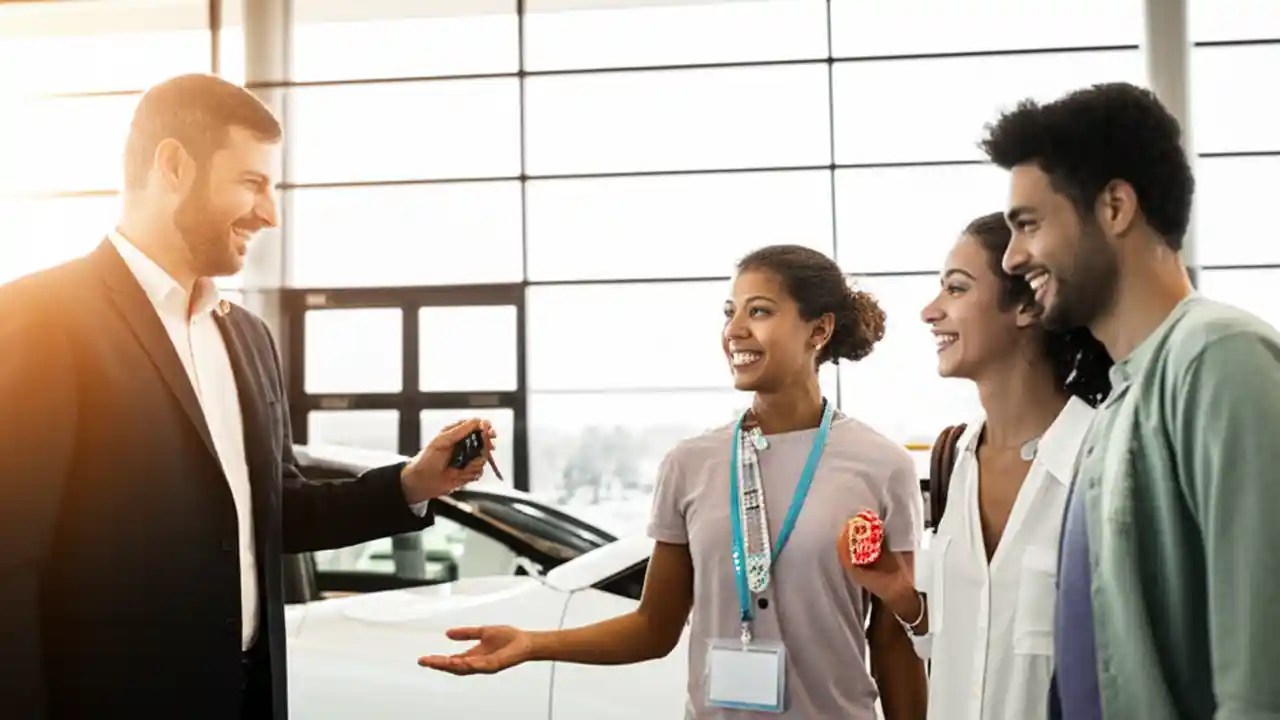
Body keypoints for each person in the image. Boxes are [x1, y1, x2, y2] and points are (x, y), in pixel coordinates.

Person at [0, 74, 497, 720]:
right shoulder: (39, 318)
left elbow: (278, 509)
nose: (270, 214)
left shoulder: (249, 339)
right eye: (252, 184)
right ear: (174, 166)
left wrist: (412, 483)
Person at [419, 245, 928, 719]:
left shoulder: (881, 465)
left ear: (818, 331)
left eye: (760, 311)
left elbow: (892, 640)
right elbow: (653, 629)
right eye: (730, 312)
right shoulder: (692, 462)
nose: (735, 330)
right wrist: (533, 644)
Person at [981, 81, 1280, 718]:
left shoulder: (1217, 360)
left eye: (1028, 225)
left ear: (1115, 206)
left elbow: (1263, 680)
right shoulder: (1119, 399)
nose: (1012, 258)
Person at [839, 211, 1112, 719]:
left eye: (956, 289)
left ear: (1029, 304)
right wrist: (904, 599)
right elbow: (960, 646)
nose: (929, 311)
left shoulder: (1105, 463)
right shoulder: (954, 459)